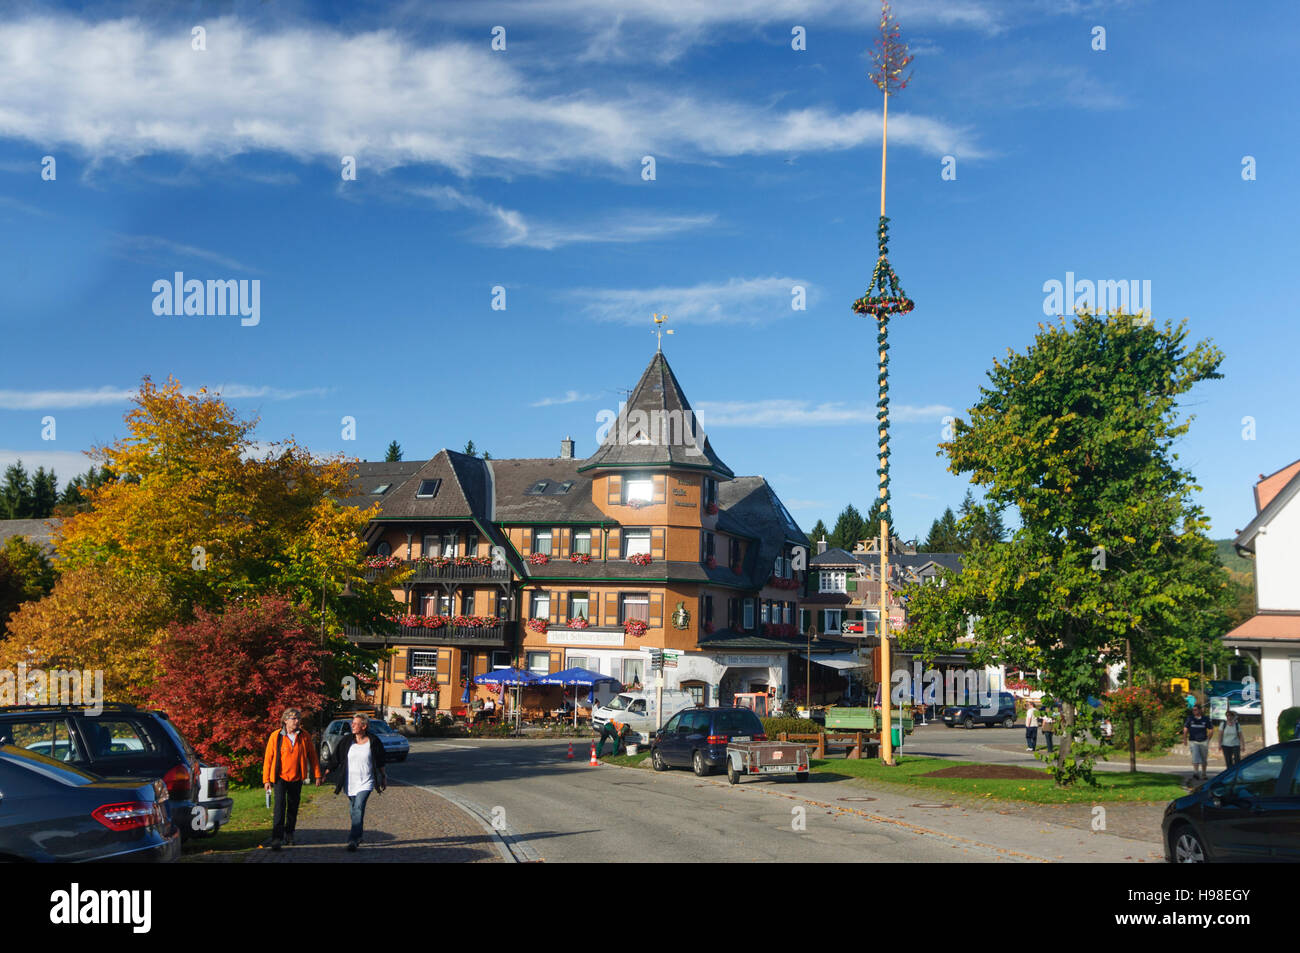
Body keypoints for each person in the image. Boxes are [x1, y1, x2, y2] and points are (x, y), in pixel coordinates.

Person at [262, 707, 323, 851]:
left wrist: (317, 774)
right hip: (280, 777)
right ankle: (277, 838)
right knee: (279, 807)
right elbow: (268, 759)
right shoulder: (276, 736)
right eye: (294, 719)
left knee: (293, 807)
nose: (297, 721)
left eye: (298, 719)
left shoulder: (304, 736)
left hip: (297, 777)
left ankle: (289, 834)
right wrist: (266, 780)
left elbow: (312, 756)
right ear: (285, 720)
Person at [329, 713, 387, 851]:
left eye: (355, 723)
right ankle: (359, 834)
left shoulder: (373, 741)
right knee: (353, 810)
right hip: (350, 782)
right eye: (352, 723)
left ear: (364, 726)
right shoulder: (347, 740)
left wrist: (383, 776)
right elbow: (337, 757)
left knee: (359, 807)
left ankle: (353, 839)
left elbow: (380, 761)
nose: (352, 725)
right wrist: (327, 770)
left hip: (366, 782)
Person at [1183, 703, 1214, 781]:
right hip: (1193, 741)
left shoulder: (1205, 719)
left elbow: (1211, 729)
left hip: (1203, 741)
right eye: (1193, 710)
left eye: (1195, 710)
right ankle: (1196, 773)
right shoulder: (1190, 718)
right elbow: (1185, 728)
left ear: (1200, 710)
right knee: (1195, 758)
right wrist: (1185, 739)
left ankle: (1204, 773)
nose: (1194, 711)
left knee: (1204, 758)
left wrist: (1208, 739)